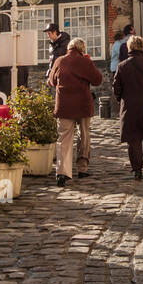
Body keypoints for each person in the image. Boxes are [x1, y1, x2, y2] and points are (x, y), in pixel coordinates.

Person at [51, 38, 102, 187]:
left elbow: (52, 81)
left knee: (64, 138)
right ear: (82, 49)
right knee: (84, 135)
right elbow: (97, 79)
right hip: (82, 104)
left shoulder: (60, 61)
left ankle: (62, 172)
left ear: (69, 48)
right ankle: (82, 168)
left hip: (64, 105)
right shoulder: (85, 61)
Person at [113, 36, 143, 179]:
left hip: (130, 107)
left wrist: (121, 99)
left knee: (134, 139)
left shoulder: (122, 66)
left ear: (129, 48)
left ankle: (137, 169)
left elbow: (117, 88)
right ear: (142, 47)